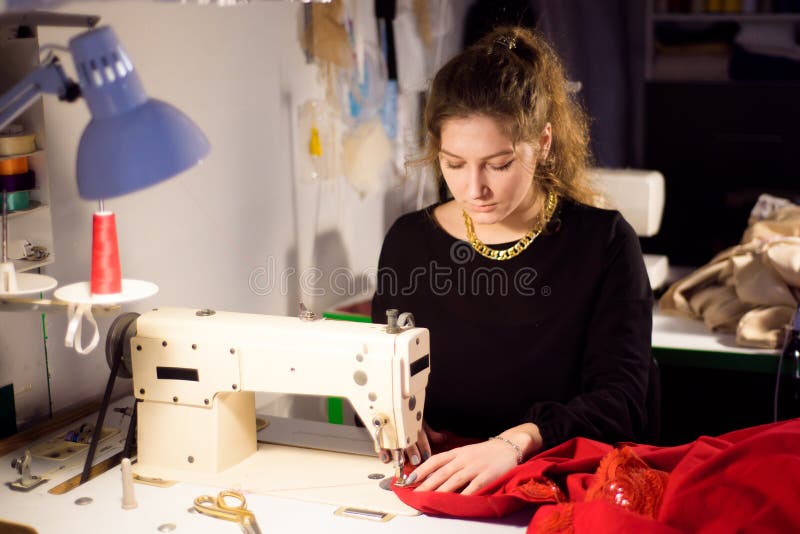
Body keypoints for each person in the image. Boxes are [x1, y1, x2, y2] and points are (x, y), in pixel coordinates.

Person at [370, 26, 654, 495]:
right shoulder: (408, 242)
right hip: (440, 480)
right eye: (454, 164)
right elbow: (383, 368)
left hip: (558, 475)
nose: (473, 189)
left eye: (498, 164)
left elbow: (621, 401)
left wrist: (513, 444)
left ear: (542, 144)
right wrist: (391, 417)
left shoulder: (604, 244)